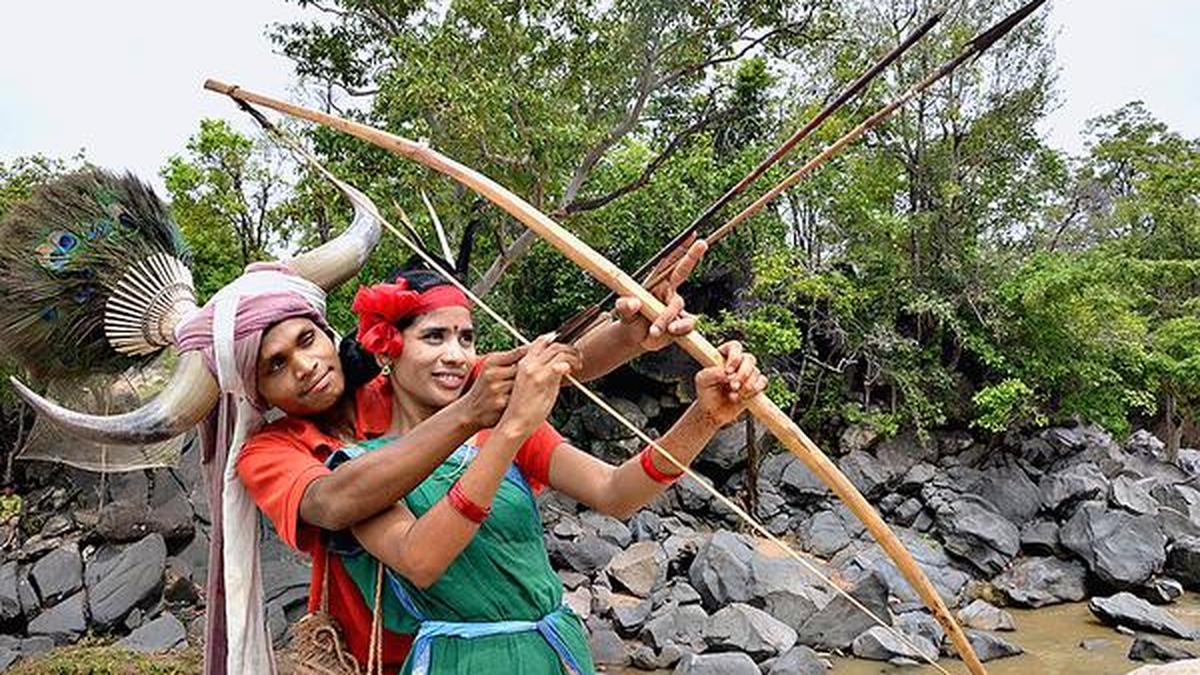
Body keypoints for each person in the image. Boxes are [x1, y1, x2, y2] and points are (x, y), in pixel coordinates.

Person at [255, 266, 765, 675]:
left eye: (466, 338)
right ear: (387, 346)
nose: (455, 356)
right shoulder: (357, 461)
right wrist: (507, 425)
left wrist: (699, 411)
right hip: (440, 658)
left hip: (556, 649)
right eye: (433, 337)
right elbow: (398, 542)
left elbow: (612, 485)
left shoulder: (480, 401)